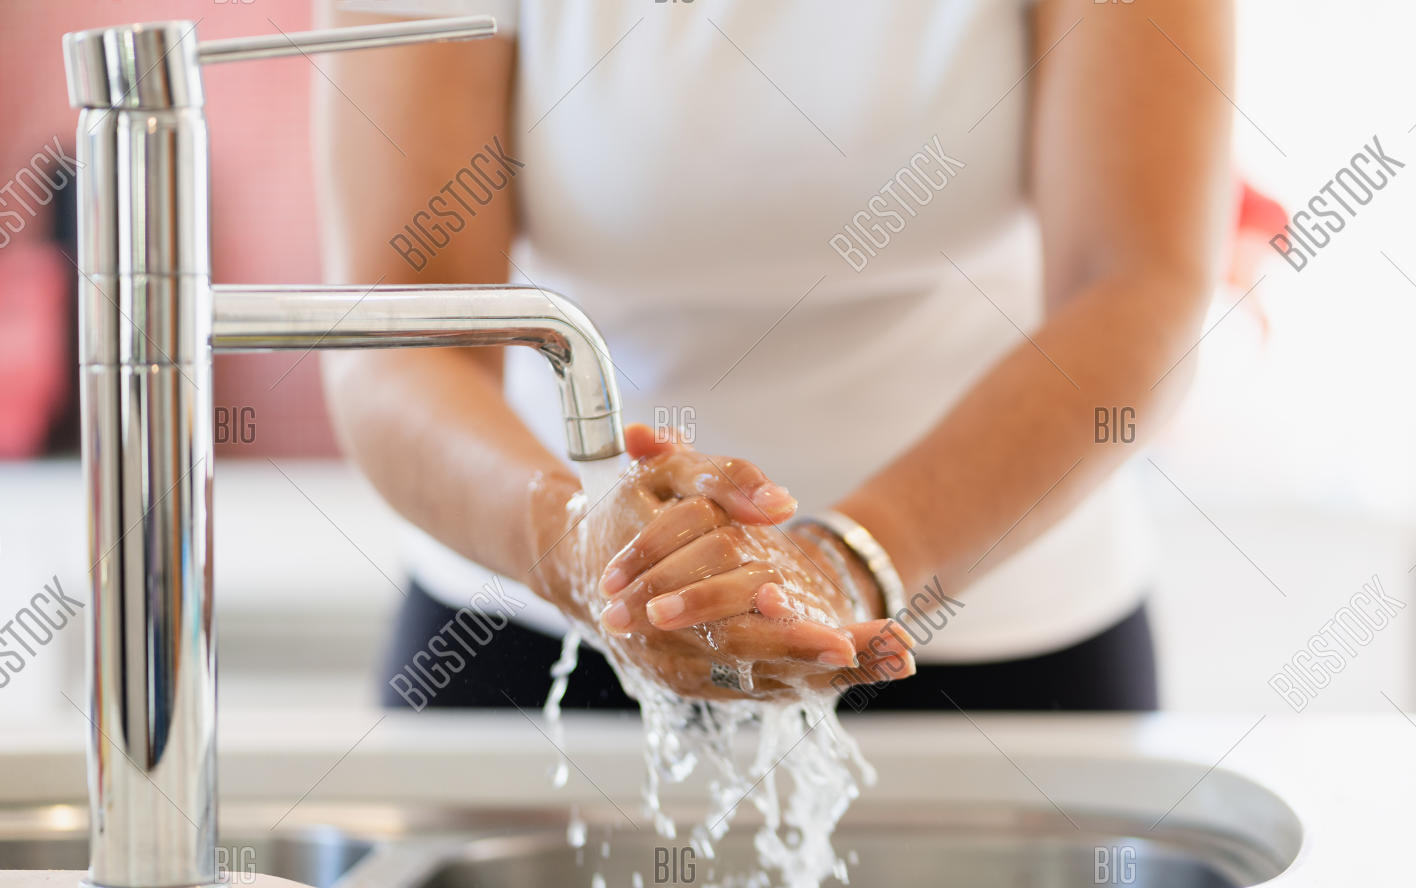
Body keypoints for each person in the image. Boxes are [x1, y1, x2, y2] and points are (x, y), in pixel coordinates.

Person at [315, 0, 1234, 712]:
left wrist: (852, 559)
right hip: (531, 640)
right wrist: (577, 547)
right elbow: (401, 331)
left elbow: (1138, 285)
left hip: (999, 637)